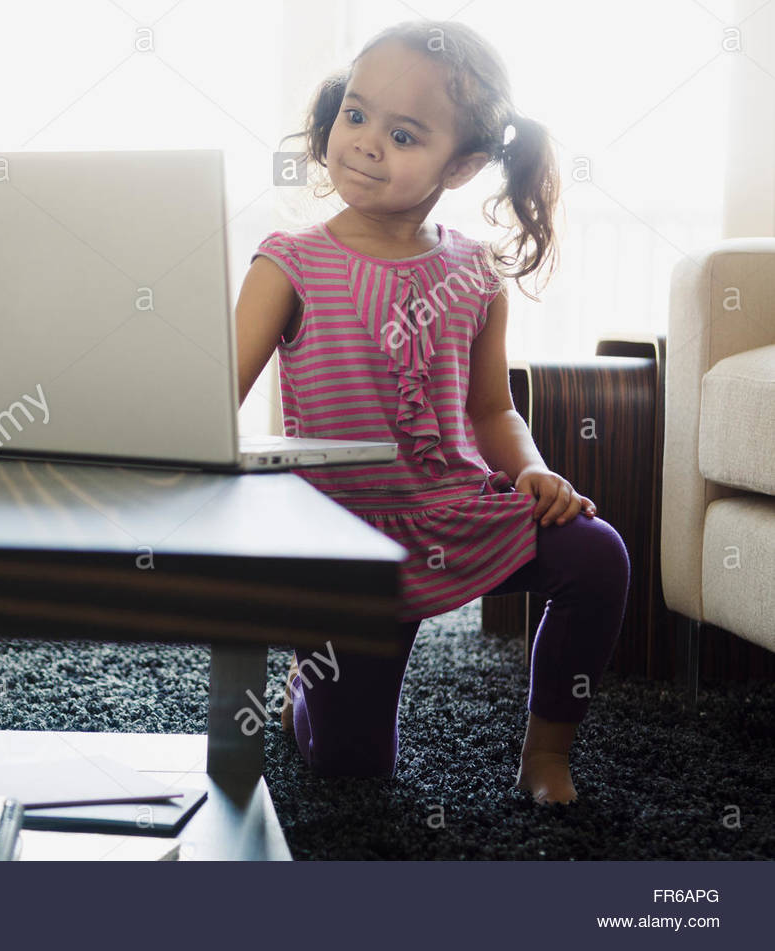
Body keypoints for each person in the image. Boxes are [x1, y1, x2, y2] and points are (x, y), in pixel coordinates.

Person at [235, 20, 630, 804]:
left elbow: (492, 413)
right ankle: (303, 691)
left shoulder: (475, 273)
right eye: (356, 114)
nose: (366, 143)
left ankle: (546, 757)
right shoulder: (288, 261)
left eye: (404, 134)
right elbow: (214, 397)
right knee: (355, 769)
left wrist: (536, 472)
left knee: (597, 554)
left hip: (455, 509)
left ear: (467, 164)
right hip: (346, 535)